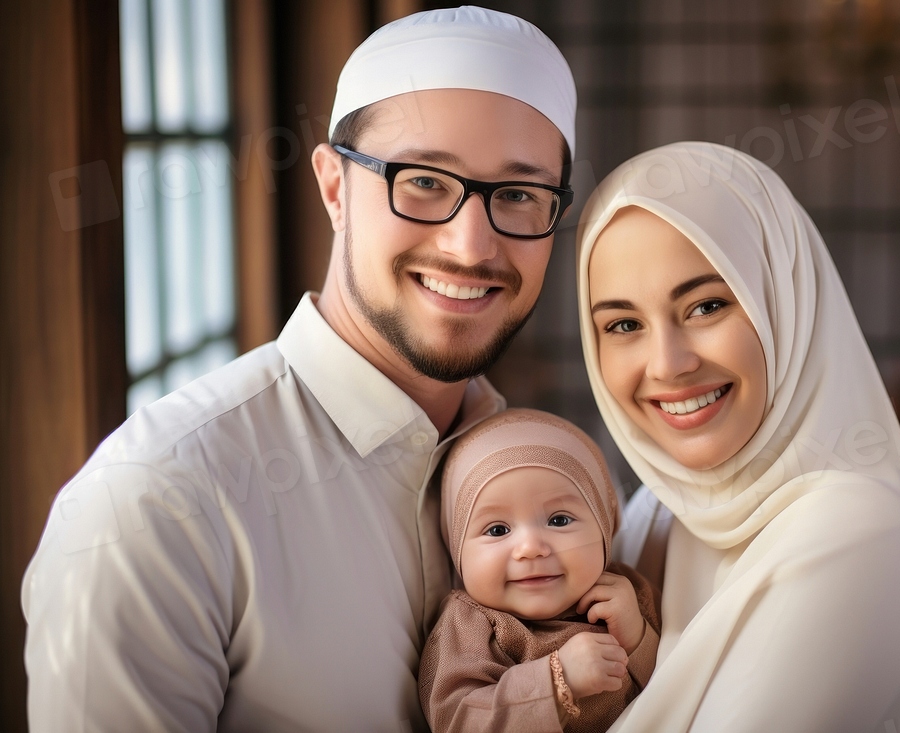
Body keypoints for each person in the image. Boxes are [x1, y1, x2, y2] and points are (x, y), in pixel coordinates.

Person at [22, 8, 576, 731]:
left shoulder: (551, 474)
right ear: (335, 188)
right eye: (424, 182)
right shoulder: (154, 503)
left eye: (518, 194)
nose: (471, 246)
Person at [576, 142, 900, 732]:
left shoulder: (858, 532)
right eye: (623, 325)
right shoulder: (658, 517)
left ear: (785, 303)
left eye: (706, 306)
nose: (667, 364)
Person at [419, 408, 660, 733]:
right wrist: (557, 678)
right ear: (457, 551)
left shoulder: (629, 594)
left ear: (606, 528)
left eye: (559, 520)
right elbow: (457, 719)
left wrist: (639, 640)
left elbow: (688, 683)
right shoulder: (469, 626)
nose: (531, 547)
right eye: (497, 530)